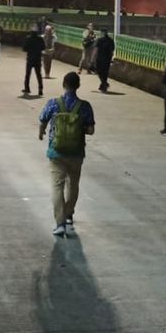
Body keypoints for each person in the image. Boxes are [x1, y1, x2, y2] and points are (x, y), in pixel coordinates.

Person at [38, 72, 96, 237]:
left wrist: (42, 132)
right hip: (76, 153)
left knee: (57, 186)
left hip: (56, 152)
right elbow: (91, 130)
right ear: (78, 86)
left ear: (63, 84)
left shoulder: (54, 104)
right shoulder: (85, 106)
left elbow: (42, 120)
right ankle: (69, 214)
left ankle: (60, 223)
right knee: (73, 184)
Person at [22, 24, 46, 95]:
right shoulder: (40, 39)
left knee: (28, 74)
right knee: (39, 74)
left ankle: (27, 88)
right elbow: (43, 47)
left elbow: (24, 48)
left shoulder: (28, 38)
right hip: (38, 58)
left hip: (30, 58)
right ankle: (40, 89)